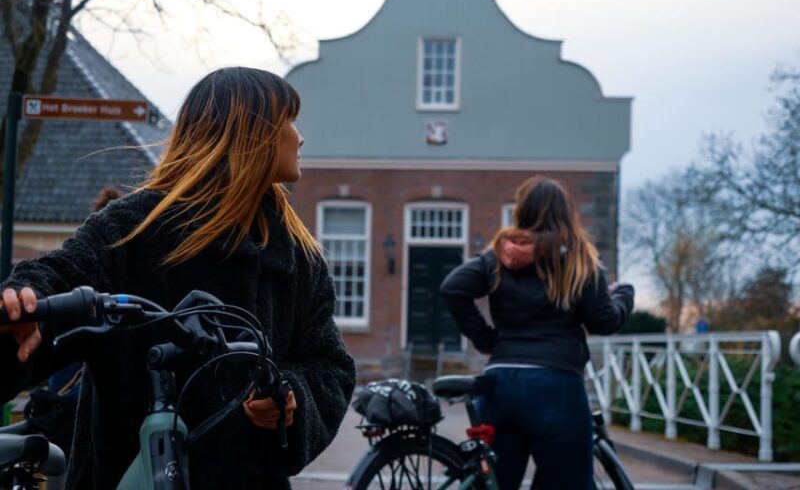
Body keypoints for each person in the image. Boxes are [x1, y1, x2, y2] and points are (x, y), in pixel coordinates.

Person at [0, 67, 357, 489]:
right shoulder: (135, 228)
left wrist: (290, 401)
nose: (299, 137)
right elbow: (60, 274)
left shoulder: (297, 255)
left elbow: (328, 366)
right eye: (288, 121)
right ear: (251, 135)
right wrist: (22, 308)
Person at [440, 176, 634, 490]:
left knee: (497, 485)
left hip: (500, 385)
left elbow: (453, 288)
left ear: (522, 211)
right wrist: (624, 294)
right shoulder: (578, 258)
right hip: (556, 388)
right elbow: (604, 321)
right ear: (566, 214)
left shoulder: (500, 255)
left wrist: (487, 340)